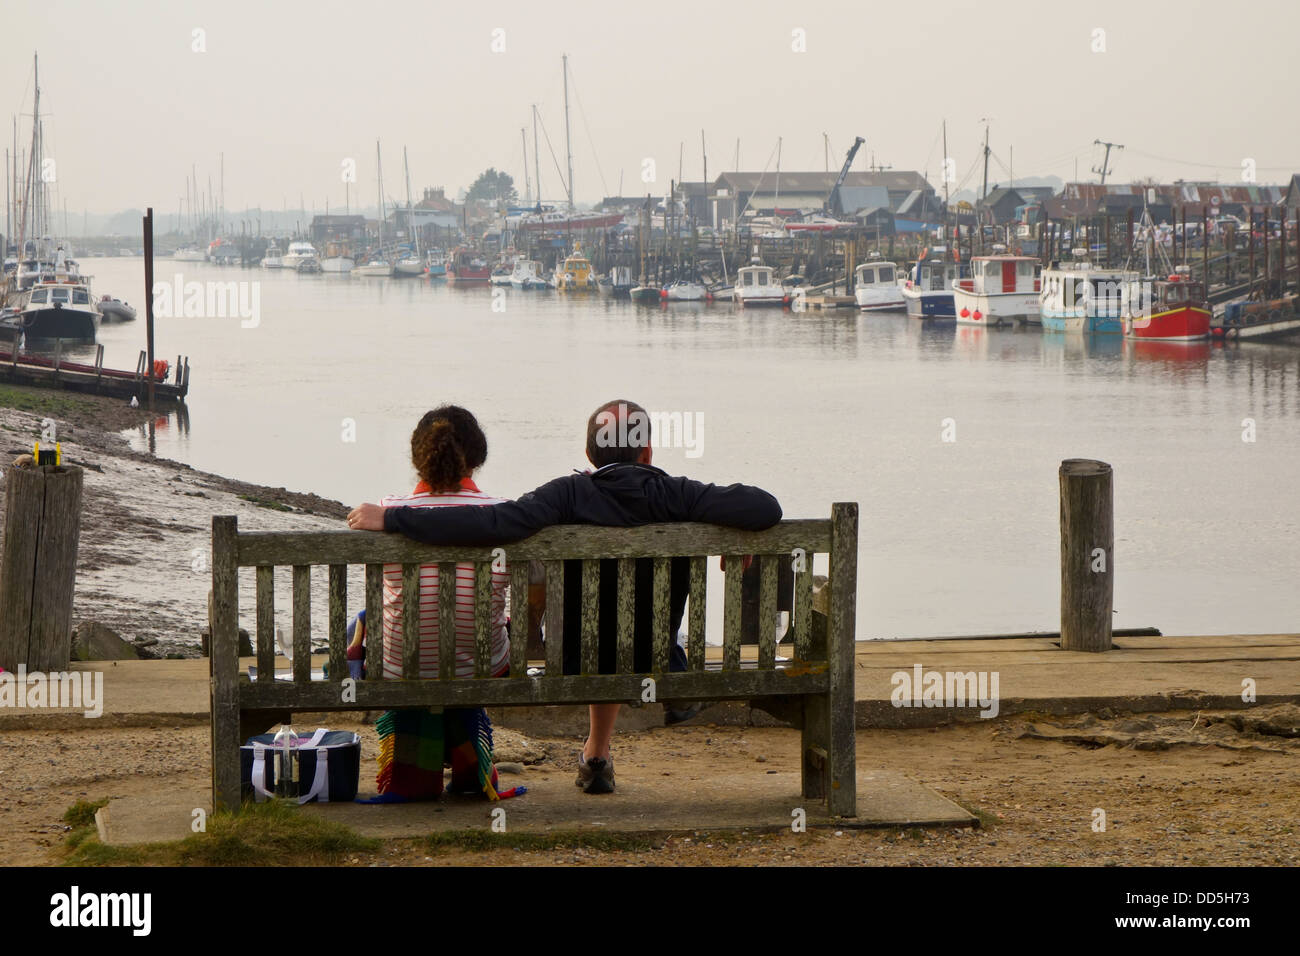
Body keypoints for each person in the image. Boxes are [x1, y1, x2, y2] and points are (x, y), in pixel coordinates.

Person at [348, 398, 782, 795]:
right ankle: (614, 737)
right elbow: (765, 507)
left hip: (575, 661)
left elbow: (493, 524)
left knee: (593, 623)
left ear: (590, 456)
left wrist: (396, 517)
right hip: (654, 656)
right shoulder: (681, 494)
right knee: (636, 625)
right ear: (648, 454)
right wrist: (732, 529)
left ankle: (580, 752)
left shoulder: (567, 494)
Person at [371, 405, 517, 800]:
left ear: (419, 457)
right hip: (483, 667)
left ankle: (417, 773)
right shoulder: (505, 514)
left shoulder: (387, 510)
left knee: (368, 620)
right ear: (477, 459)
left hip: (404, 666)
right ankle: (471, 770)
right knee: (480, 629)